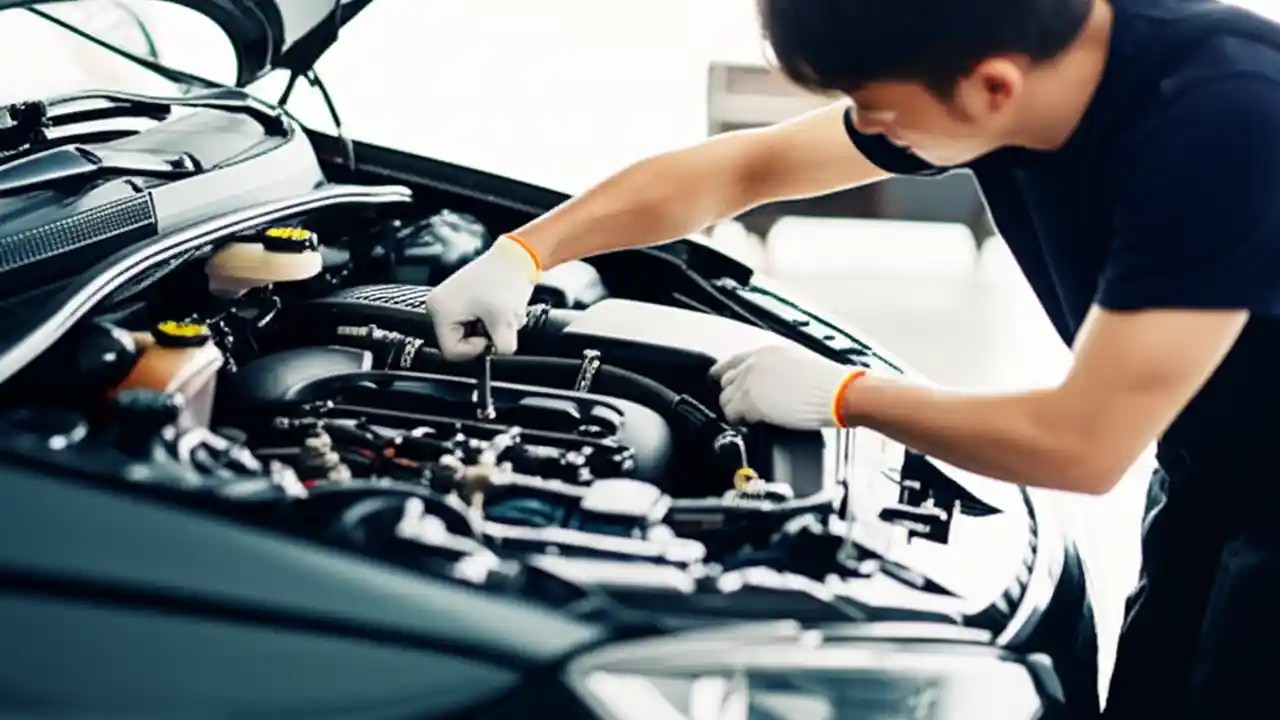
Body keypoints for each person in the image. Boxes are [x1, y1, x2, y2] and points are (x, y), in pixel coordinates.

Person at [425, 0, 1280, 715]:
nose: (866, 131)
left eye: (876, 108)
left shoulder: (1220, 124)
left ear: (992, 88)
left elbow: (1082, 445)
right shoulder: (1006, 49)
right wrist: (524, 254)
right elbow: (750, 167)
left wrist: (846, 395)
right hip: (1215, 451)